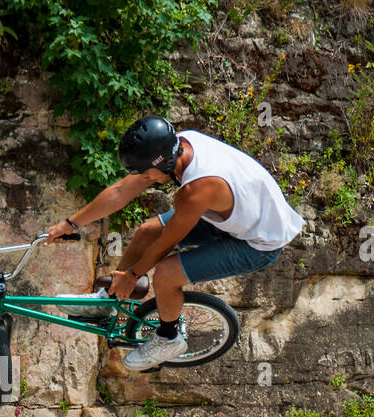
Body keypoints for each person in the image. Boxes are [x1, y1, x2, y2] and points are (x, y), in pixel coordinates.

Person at [46, 116, 304, 370]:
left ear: (164, 163)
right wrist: (70, 223)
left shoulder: (196, 190)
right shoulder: (178, 144)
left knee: (167, 274)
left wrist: (133, 274)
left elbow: (168, 240)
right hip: (236, 212)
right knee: (147, 231)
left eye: (147, 174)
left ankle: (168, 338)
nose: (147, 180)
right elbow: (120, 192)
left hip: (258, 240)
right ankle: (109, 303)